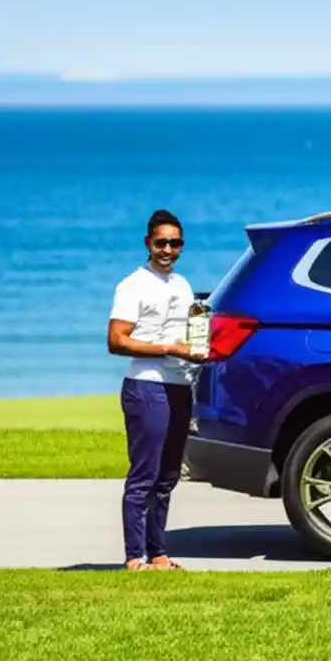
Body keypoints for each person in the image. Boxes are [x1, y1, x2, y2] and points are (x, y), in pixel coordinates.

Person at [106, 209, 204, 571]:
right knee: (144, 475)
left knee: (168, 476)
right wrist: (170, 349)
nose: (168, 249)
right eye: (161, 242)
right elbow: (117, 341)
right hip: (146, 386)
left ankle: (158, 554)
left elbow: (190, 335)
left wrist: (202, 350)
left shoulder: (181, 285)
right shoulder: (133, 285)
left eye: (175, 242)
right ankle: (135, 557)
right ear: (147, 243)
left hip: (180, 385)